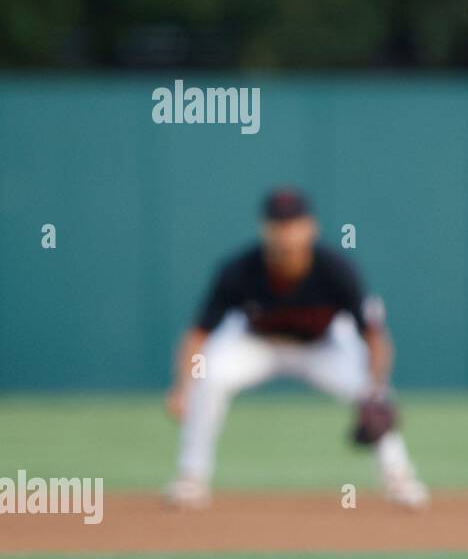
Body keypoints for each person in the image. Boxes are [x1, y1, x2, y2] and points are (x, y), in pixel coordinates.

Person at [163, 188, 429, 509]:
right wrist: (182, 386)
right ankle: (191, 477)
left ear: (310, 227)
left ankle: (398, 478)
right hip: (258, 346)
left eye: (294, 223)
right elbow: (198, 333)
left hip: (321, 348)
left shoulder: (336, 270)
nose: (286, 233)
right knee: (209, 376)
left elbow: (373, 336)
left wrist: (375, 386)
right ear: (265, 228)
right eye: (278, 224)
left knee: (374, 393)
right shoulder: (238, 270)